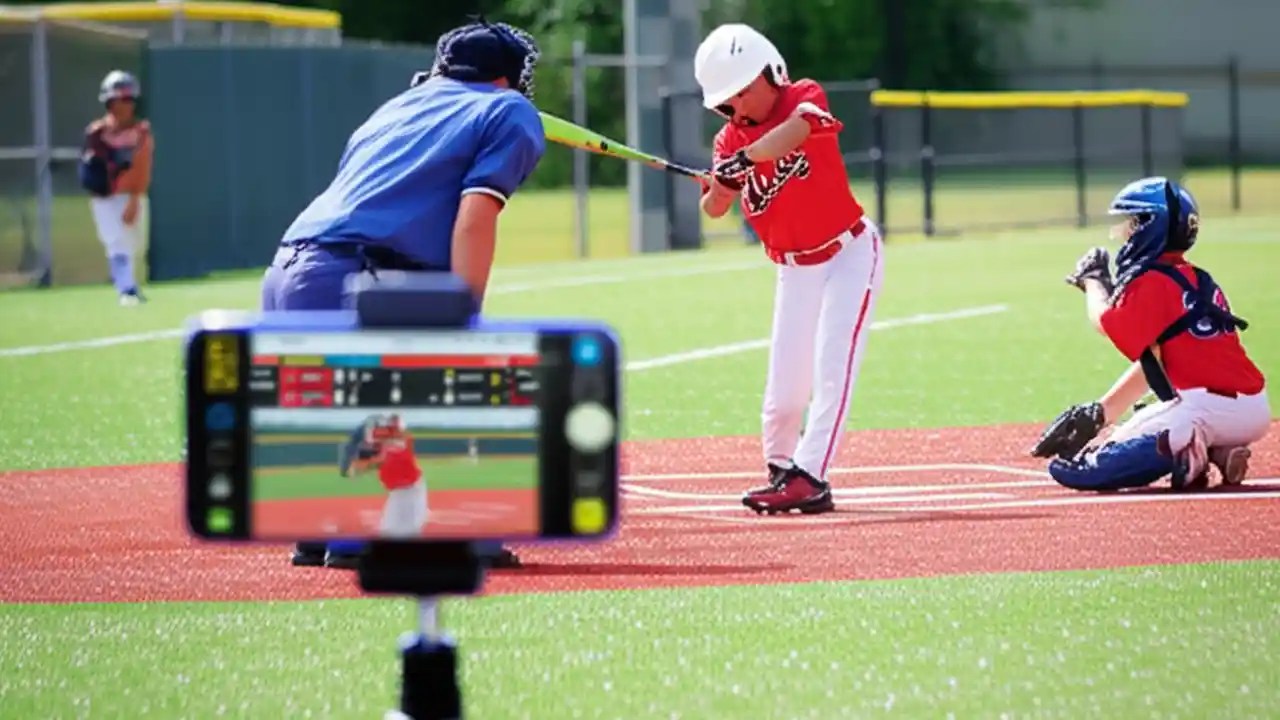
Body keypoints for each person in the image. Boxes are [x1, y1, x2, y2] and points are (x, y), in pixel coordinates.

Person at [260, 19, 546, 569]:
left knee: (340, 410)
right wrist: (465, 314)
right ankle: (368, 535)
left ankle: (318, 527)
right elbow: (474, 218)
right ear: (504, 77)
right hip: (359, 276)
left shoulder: (395, 107)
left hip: (289, 268)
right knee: (440, 392)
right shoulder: (508, 110)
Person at [694, 23, 885, 515]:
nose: (738, 108)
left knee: (831, 368)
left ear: (769, 72)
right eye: (727, 102)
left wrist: (747, 156)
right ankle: (781, 467)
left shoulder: (803, 95)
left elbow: (799, 129)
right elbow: (714, 208)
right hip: (794, 266)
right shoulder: (727, 139)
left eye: (744, 92)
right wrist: (722, 179)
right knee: (783, 388)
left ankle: (811, 476)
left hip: (849, 253)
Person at [1031, 177, 1270, 491]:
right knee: (1146, 415)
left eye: (1133, 222)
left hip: (1206, 406)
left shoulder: (1154, 280)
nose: (1125, 232)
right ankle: (1220, 451)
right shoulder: (1197, 277)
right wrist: (1103, 412)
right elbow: (1153, 363)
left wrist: (1092, 282)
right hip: (1251, 407)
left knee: (1084, 469)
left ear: (1152, 226)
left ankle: (1191, 448)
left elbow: (1104, 322)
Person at [80, 70, 152, 306]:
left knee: (135, 245)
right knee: (116, 242)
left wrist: (134, 198)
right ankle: (126, 289)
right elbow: (90, 170)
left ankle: (130, 285)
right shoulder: (96, 133)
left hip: (132, 196)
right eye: (121, 99)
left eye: (129, 99)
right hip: (106, 199)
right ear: (109, 101)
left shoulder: (141, 132)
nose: (126, 104)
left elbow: (142, 168)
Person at [342, 414, 429, 538]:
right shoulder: (389, 445)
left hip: (411, 493)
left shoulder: (400, 445)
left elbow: (380, 459)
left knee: (406, 531)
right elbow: (379, 456)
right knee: (389, 530)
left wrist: (358, 467)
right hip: (399, 493)